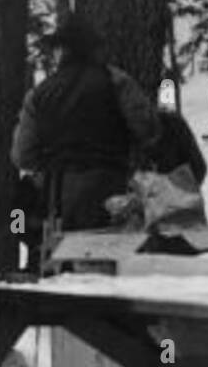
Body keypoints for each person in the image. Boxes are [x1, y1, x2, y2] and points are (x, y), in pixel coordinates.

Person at [10, 14, 161, 230]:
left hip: (57, 195)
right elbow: (148, 130)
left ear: (61, 50)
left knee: (60, 255)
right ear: (93, 48)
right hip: (110, 188)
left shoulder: (38, 94)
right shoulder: (116, 81)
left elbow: (22, 156)